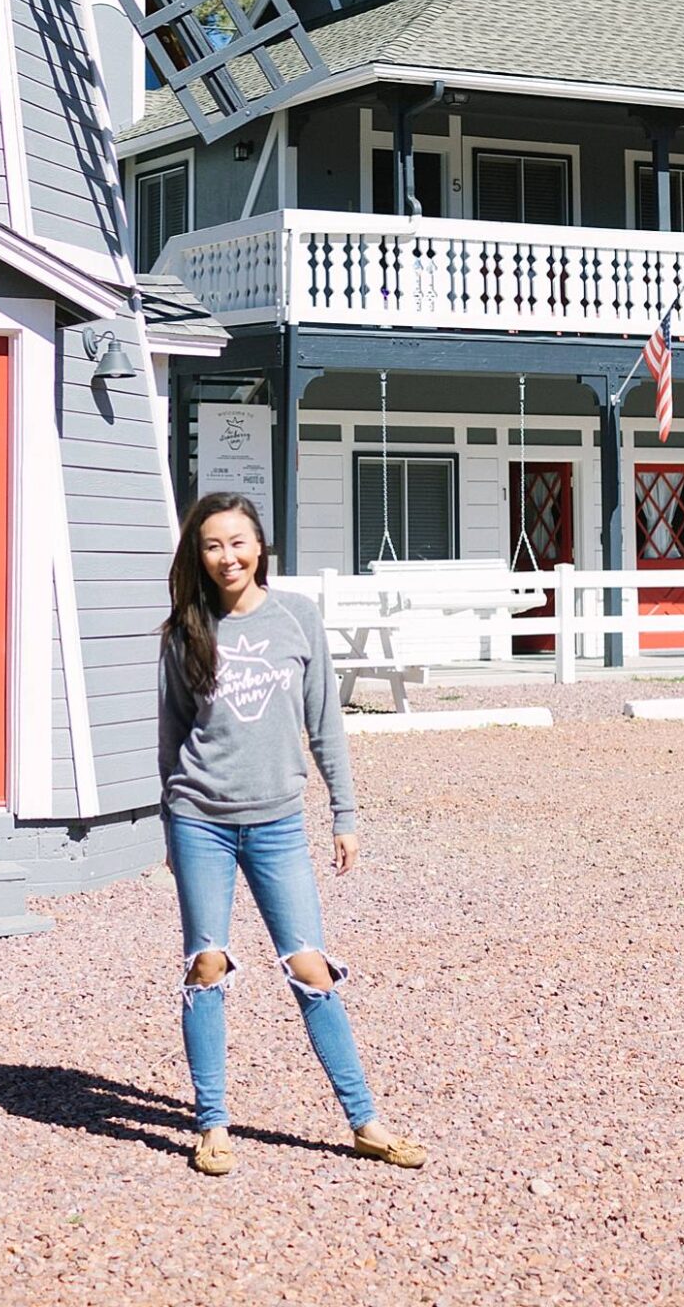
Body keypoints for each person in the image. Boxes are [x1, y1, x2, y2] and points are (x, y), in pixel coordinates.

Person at [157, 489, 426, 1176]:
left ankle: (365, 1120)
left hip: (278, 822)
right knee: (206, 964)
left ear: (260, 546)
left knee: (310, 967)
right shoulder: (185, 631)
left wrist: (346, 811)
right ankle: (212, 1124)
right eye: (213, 545)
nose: (228, 557)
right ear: (199, 552)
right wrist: (170, 827)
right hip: (202, 822)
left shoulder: (296, 618)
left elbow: (325, 723)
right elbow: (171, 738)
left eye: (238, 542)